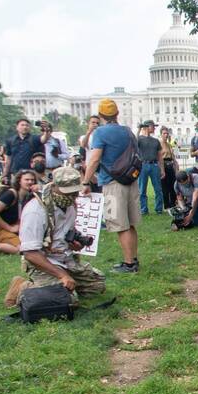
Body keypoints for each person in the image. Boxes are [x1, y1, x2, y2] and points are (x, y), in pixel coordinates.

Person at [15, 165, 106, 306]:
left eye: (75, 192)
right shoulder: (35, 211)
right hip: (43, 263)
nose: (73, 196)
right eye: (68, 193)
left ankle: (60, 286)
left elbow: (66, 230)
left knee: (97, 285)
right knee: (68, 300)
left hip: (65, 258)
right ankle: (23, 288)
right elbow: (30, 253)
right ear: (54, 186)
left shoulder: (70, 204)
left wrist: (76, 242)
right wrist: (61, 275)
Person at [81, 98, 141, 274]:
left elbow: (94, 159)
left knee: (119, 224)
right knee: (130, 223)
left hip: (112, 182)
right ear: (117, 113)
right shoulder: (127, 131)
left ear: (101, 115)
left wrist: (85, 181)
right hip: (130, 180)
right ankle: (134, 259)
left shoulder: (100, 133)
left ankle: (129, 264)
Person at [0, 169, 39, 253]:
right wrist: (10, 228)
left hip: (13, 228)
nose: (30, 182)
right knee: (23, 250)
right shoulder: (11, 194)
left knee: (33, 245)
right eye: (26, 179)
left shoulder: (29, 196)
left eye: (32, 180)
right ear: (19, 181)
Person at [137, 120, 164, 215]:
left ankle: (159, 209)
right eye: (152, 126)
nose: (154, 128)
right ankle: (144, 209)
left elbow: (160, 156)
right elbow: (133, 144)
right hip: (143, 165)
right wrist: (138, 130)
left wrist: (162, 169)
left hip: (154, 165)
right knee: (142, 189)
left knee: (158, 189)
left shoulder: (156, 141)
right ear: (146, 127)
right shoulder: (139, 139)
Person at [159, 127, 178, 209]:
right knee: (164, 186)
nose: (166, 135)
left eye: (167, 133)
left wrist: (176, 167)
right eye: (164, 133)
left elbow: (173, 157)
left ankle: (173, 203)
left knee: (172, 185)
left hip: (170, 165)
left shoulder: (169, 144)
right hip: (163, 165)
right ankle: (166, 205)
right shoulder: (159, 144)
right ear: (161, 134)